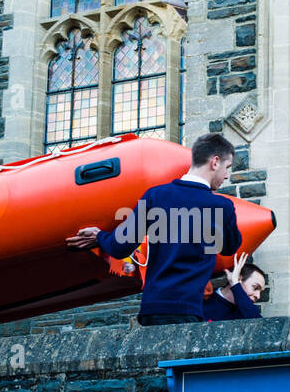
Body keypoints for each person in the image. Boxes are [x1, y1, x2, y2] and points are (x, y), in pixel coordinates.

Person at [67, 133, 243, 325]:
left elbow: (120, 247)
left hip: (153, 308)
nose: (226, 175)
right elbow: (230, 248)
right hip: (187, 310)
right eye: (227, 168)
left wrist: (99, 236)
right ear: (215, 162)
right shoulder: (221, 206)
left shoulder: (156, 196)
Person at [204, 252, 266, 322]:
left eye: (260, 292)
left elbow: (258, 324)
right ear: (238, 279)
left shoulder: (245, 312)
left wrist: (236, 286)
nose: (258, 296)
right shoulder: (204, 301)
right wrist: (236, 285)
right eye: (255, 288)